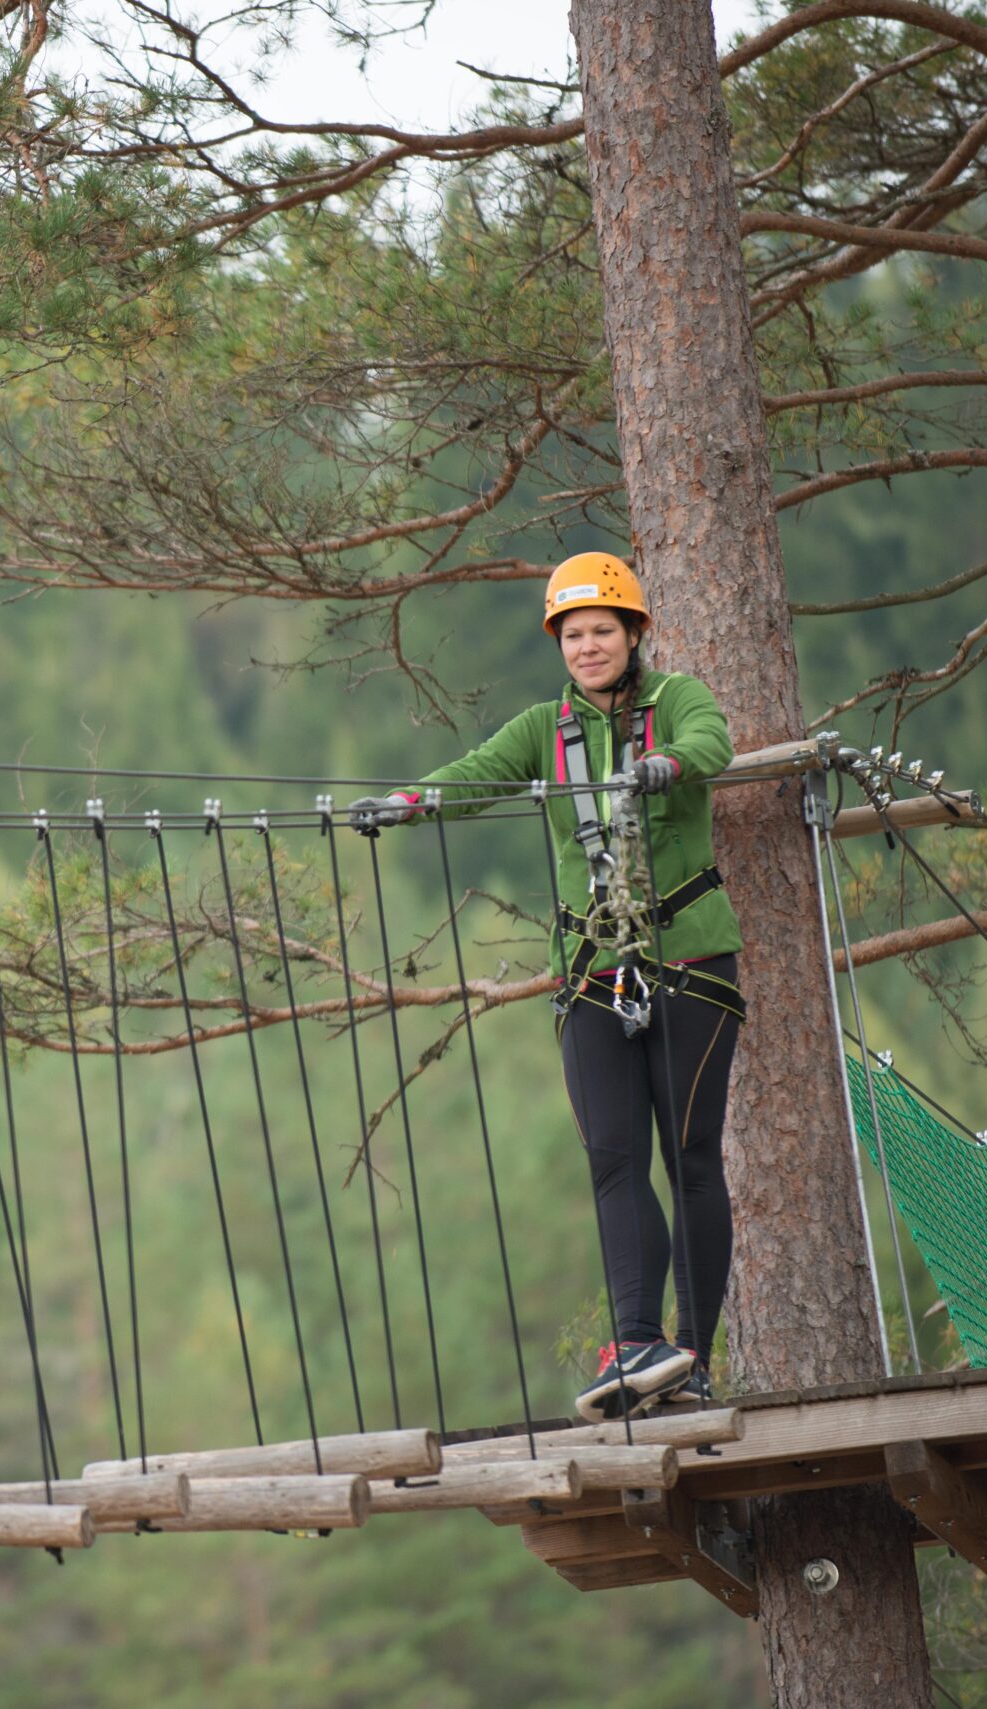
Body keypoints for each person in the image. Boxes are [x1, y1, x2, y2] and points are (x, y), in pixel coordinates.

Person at [349, 552, 744, 1421]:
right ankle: (639, 1341)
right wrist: (406, 801)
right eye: (573, 635)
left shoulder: (674, 702)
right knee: (612, 1158)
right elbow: (476, 774)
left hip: (688, 962)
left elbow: (713, 742)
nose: (588, 646)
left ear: (635, 633)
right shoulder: (544, 727)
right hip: (593, 968)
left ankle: (695, 1351)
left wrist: (665, 767)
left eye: (603, 630)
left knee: (689, 1156)